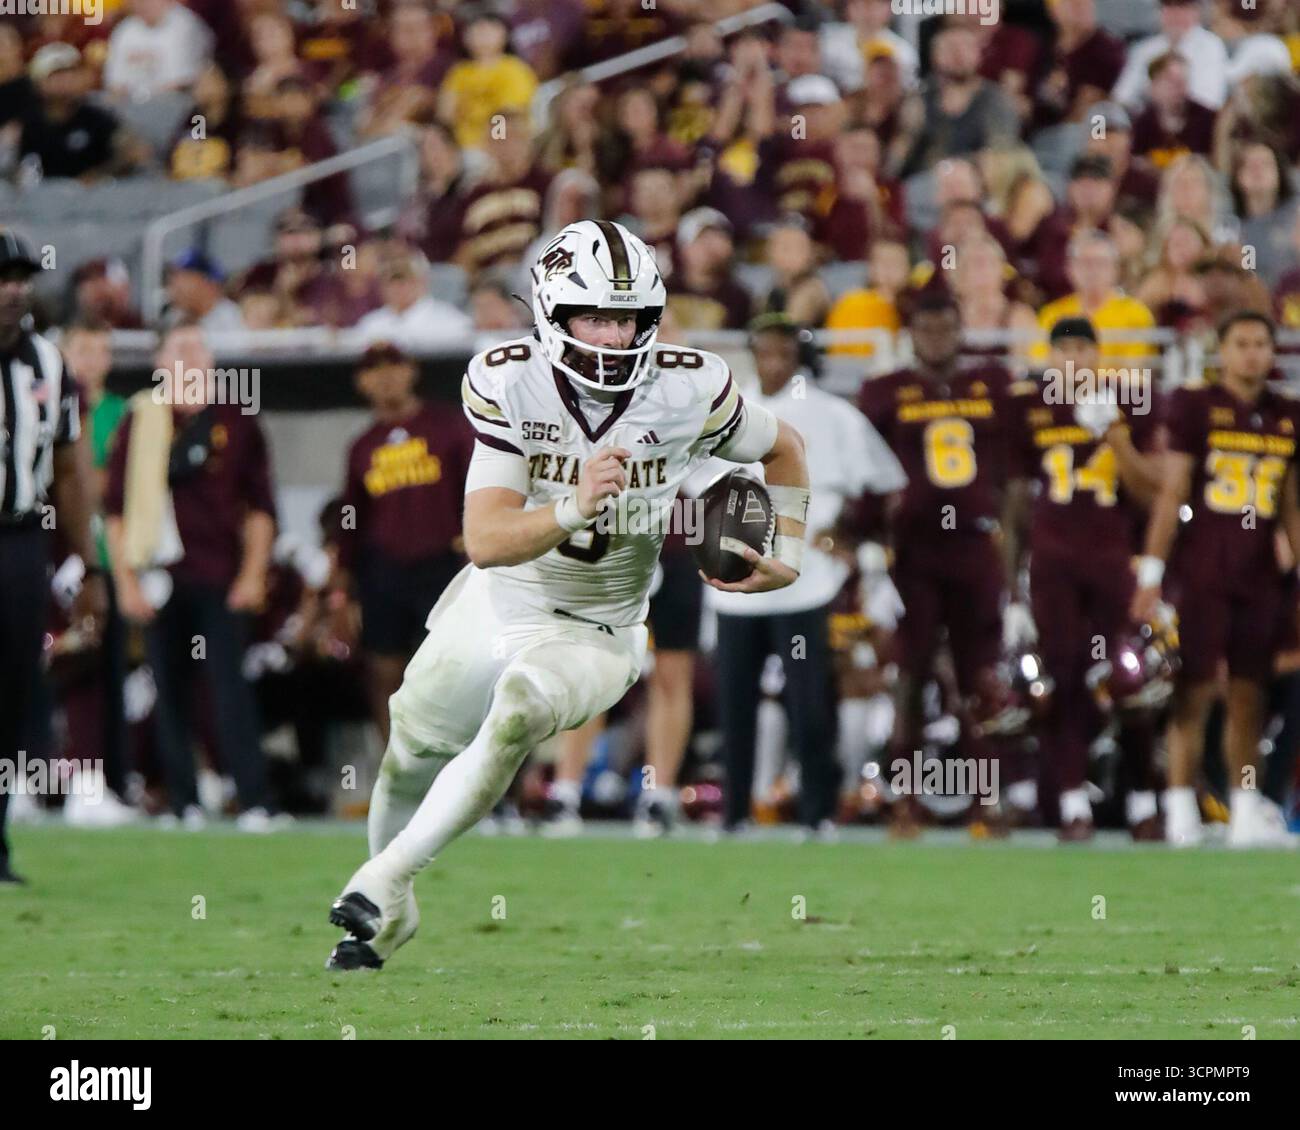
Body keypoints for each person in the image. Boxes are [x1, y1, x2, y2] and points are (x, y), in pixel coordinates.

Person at [324, 219, 811, 970]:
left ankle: (385, 878)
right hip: (500, 595)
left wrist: (789, 547)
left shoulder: (690, 385)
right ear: (552, 312)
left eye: (629, 319)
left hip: (598, 626)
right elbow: (485, 540)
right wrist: (574, 506)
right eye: (596, 317)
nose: (615, 338)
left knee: (521, 705)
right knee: (410, 748)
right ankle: (391, 911)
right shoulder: (506, 376)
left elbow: (785, 447)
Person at [710, 314, 905, 835]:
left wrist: (847, 533)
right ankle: (734, 813)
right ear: (752, 353)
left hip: (806, 579)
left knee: (810, 701)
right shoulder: (724, 412)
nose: (773, 361)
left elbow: (884, 482)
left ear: (798, 355)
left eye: (782, 351)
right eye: (764, 350)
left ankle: (818, 811)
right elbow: (689, 486)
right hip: (736, 585)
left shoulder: (831, 414)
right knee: (735, 705)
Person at [1131, 311, 1300, 847]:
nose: (1252, 353)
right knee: (1194, 690)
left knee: (1250, 693)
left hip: (1259, 573)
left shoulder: (1286, 413)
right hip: (1203, 567)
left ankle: (1244, 809)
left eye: (1260, 344)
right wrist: (1152, 572)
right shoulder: (1196, 404)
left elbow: (1290, 504)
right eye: (1241, 343)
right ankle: (1181, 809)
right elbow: (1173, 492)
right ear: (1221, 350)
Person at [104, 324, 279, 830]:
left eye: (195, 346)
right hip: (159, 573)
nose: (186, 355)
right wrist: (126, 583)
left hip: (221, 574)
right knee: (168, 689)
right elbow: (114, 511)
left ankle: (254, 799)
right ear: (159, 362)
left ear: (211, 361)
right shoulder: (141, 420)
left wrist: (253, 573)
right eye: (176, 348)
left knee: (230, 689)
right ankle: (182, 801)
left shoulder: (237, 419)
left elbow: (260, 508)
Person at [856, 291, 1016, 836]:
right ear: (910, 332)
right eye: (926, 328)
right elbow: (867, 482)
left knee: (982, 678)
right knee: (912, 674)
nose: (937, 339)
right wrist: (872, 553)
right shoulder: (885, 393)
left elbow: (1014, 480)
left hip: (974, 547)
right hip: (915, 551)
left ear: (960, 328)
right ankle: (906, 798)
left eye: (946, 327)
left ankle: (985, 799)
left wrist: (1012, 561)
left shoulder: (991, 386)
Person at [1004, 317, 1164, 840]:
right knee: (1062, 680)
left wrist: (1115, 437)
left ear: (1099, 354)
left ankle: (1143, 801)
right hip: (1053, 564)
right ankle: (1073, 802)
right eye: (1063, 348)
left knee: (1129, 680)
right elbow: (1014, 500)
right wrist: (1012, 586)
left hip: (1112, 559)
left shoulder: (1130, 401)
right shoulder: (1029, 405)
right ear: (1049, 356)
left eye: (1082, 348)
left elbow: (1150, 491)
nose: (1073, 358)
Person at [0, 231, 106, 884]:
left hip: (18, 541)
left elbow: (70, 469)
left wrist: (91, 564)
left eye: (19, 277)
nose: (14, 289)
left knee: (12, 692)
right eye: (1, 277)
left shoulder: (47, 362)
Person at [332, 342, 473, 747]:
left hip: (445, 566)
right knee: (385, 671)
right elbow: (351, 521)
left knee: (452, 669)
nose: (385, 376)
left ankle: (458, 770)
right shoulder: (362, 447)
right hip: (384, 571)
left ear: (412, 370)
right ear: (361, 382)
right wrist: (340, 587)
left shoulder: (449, 427)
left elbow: (477, 489)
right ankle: (399, 767)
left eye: (393, 365)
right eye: (374, 369)